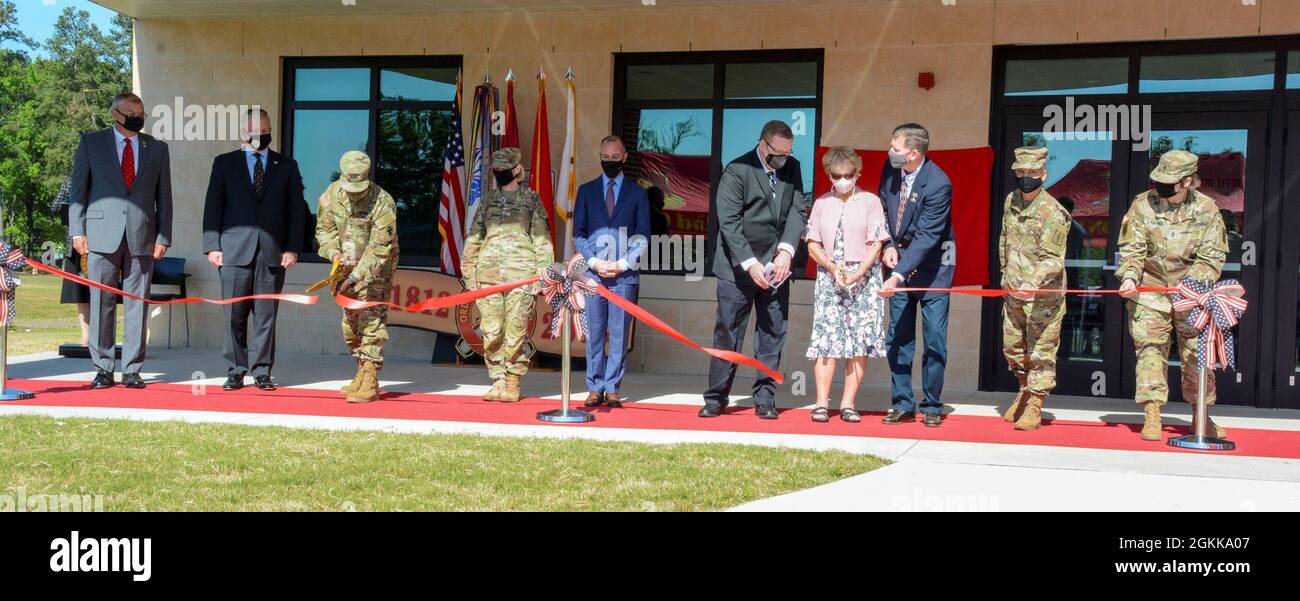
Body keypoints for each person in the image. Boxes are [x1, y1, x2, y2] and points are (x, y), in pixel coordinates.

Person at [1117, 150, 1228, 441]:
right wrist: (1129, 276)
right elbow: (1133, 249)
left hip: (1192, 294)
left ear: (1188, 181)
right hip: (1150, 292)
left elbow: (1212, 256)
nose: (1162, 186)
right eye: (1159, 180)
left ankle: (1200, 415)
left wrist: (1191, 283)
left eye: (1170, 181)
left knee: (1197, 355)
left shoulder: (1207, 209)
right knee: (1150, 351)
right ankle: (1152, 413)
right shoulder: (1143, 204)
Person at [700, 120, 806, 420]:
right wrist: (750, 263)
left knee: (772, 333)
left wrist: (786, 252)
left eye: (788, 152)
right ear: (763, 144)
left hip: (776, 268)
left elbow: (797, 211)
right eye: (778, 152)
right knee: (728, 333)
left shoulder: (793, 168)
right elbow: (729, 223)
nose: (783, 158)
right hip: (737, 268)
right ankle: (716, 397)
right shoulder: (737, 170)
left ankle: (765, 398)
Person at [66, 92, 173, 390]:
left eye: (141, 112)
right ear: (115, 114)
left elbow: (164, 196)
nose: (138, 117)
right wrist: (78, 230)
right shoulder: (91, 143)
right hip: (101, 235)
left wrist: (164, 236)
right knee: (102, 302)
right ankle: (103, 368)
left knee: (137, 303)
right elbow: (78, 191)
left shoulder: (157, 148)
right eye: (132, 112)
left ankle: (132, 369)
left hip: (143, 236)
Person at [203, 109, 307, 391]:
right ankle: (235, 370)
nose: (259, 136)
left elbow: (296, 211)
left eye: (264, 130)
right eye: (253, 131)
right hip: (233, 252)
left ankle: (262, 371)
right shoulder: (224, 164)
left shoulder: (286, 165)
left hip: (272, 253)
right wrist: (212, 245)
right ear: (242, 133)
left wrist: (293, 248)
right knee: (234, 315)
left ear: (271, 129)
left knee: (265, 316)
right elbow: (213, 206)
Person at [460, 148, 554, 403]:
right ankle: (497, 379)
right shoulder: (488, 200)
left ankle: (513, 379)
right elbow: (475, 239)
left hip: (521, 277)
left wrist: (541, 277)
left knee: (516, 331)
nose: (500, 174)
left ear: (517, 170)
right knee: (491, 331)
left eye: (504, 170)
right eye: (496, 171)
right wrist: (469, 276)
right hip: (488, 277)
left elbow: (542, 241)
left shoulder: (531, 200)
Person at [804, 146, 889, 423]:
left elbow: (877, 242)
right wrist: (830, 266)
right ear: (829, 175)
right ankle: (821, 404)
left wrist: (859, 272)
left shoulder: (870, 201)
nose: (842, 179)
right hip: (831, 277)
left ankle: (848, 404)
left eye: (848, 174)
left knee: (858, 342)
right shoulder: (821, 203)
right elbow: (812, 242)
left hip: (863, 278)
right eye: (837, 175)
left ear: (857, 173)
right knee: (827, 339)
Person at [877, 123, 952, 427]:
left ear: (913, 153)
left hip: (933, 270)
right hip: (898, 262)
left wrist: (897, 274)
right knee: (898, 338)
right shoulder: (890, 170)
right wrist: (888, 244)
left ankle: (932, 404)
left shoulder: (938, 183)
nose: (889, 152)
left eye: (895, 148)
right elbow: (884, 208)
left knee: (934, 338)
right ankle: (903, 403)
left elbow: (927, 237)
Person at [315, 151, 399, 403]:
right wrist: (333, 253)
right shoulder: (331, 196)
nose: (354, 193)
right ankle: (361, 371)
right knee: (350, 327)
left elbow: (380, 248)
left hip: (375, 273)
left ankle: (371, 378)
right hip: (345, 271)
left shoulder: (383, 202)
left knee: (371, 323)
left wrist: (357, 276)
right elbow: (324, 230)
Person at [574, 135, 650, 408]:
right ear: (600, 156)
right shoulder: (586, 191)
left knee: (618, 334)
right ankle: (594, 387)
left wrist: (622, 263)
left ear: (624, 157)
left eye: (614, 158)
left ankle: (613, 388)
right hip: (594, 275)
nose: (609, 162)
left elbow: (642, 234)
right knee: (594, 332)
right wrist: (594, 262)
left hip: (624, 276)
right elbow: (579, 234)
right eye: (605, 158)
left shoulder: (638, 194)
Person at [998, 147, 1071, 431]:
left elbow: (1053, 260)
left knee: (1041, 351)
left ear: (1044, 173)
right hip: (1013, 292)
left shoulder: (1054, 212)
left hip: (1043, 297)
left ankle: (1036, 404)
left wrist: (1032, 283)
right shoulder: (1011, 201)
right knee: (1014, 348)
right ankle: (1023, 389)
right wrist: (1006, 272)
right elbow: (1005, 239)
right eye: (1020, 172)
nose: (1025, 177)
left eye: (1031, 172)